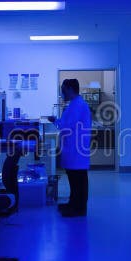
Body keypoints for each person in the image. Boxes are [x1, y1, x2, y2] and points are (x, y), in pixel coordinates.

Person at [49, 79, 91, 218]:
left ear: (71, 89)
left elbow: (67, 126)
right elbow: (66, 124)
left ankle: (79, 209)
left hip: (77, 149)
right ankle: (73, 204)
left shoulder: (78, 105)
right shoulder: (73, 105)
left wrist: (57, 122)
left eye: (63, 90)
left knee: (78, 179)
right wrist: (56, 121)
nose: (62, 93)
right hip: (72, 148)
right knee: (73, 179)